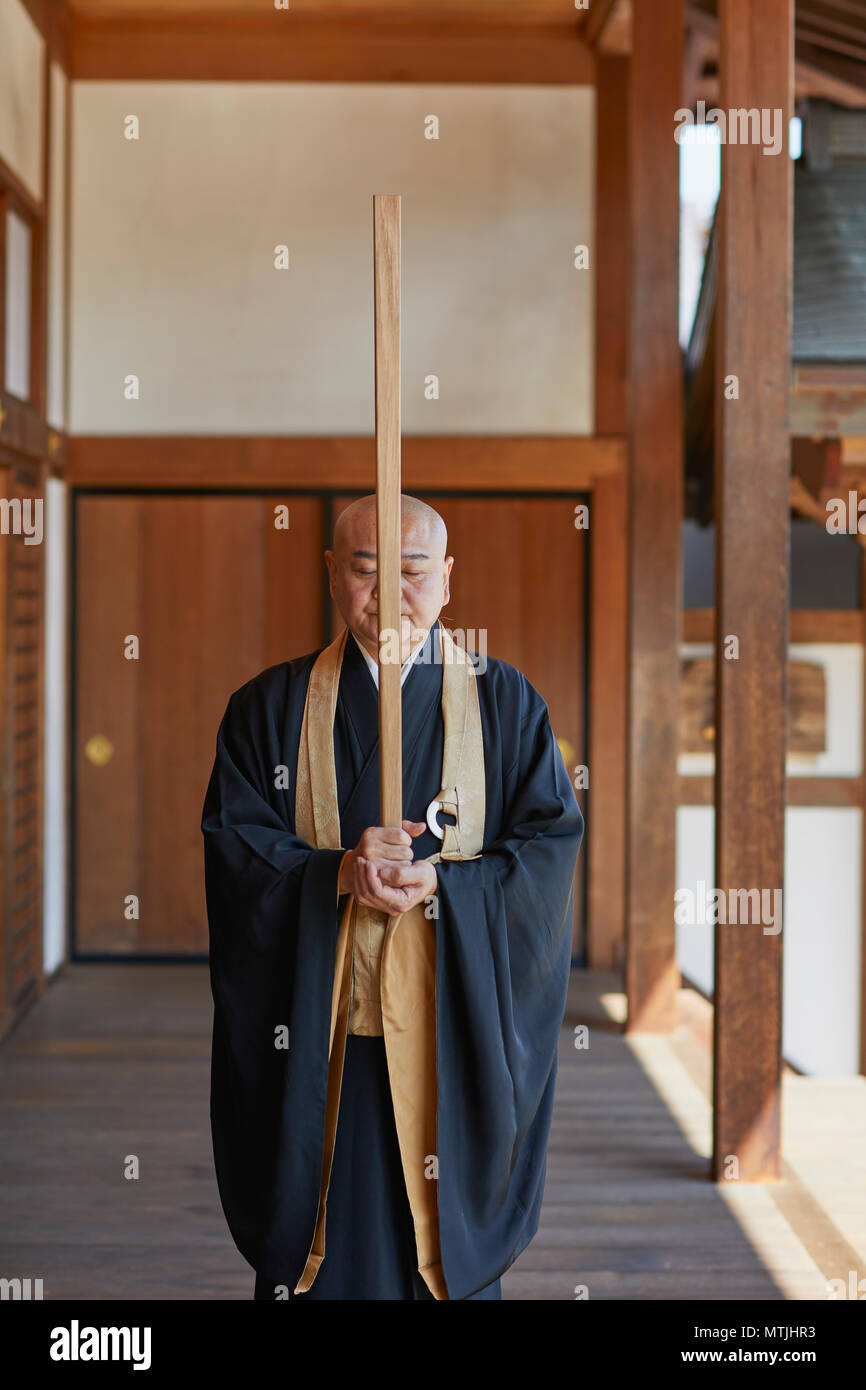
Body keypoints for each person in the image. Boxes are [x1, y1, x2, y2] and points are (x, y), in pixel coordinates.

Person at [201, 493, 584, 1301]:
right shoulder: (268, 709)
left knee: (435, 1243)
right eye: (367, 569)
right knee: (325, 1241)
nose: (390, 593)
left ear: (447, 580)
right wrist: (334, 872)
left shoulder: (506, 704)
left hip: (450, 1033)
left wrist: (448, 886)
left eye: (412, 571)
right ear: (332, 576)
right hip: (318, 1034)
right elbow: (237, 850)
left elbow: (547, 852)